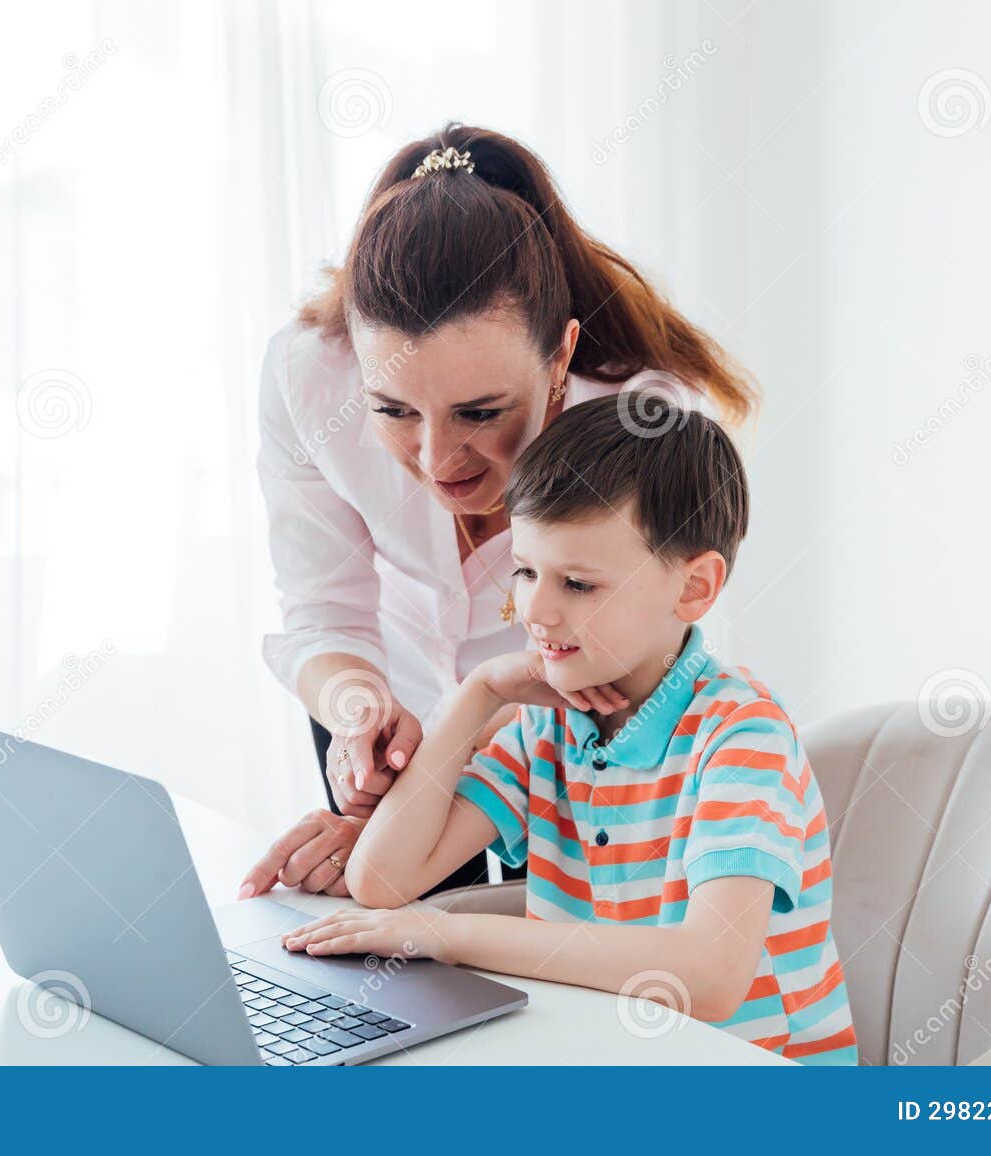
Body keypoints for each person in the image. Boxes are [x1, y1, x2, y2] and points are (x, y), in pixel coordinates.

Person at [241, 124, 757, 899]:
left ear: (559, 360)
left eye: (480, 412)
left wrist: (424, 799)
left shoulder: (637, 418)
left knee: (550, 960)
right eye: (393, 411)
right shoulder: (307, 377)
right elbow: (324, 613)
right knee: (399, 979)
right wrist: (361, 716)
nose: (438, 458)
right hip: (394, 709)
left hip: (568, 720)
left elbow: (618, 670)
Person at [280, 396, 857, 1065]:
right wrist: (477, 694)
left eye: (579, 584)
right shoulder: (545, 727)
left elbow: (709, 975)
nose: (537, 612)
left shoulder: (741, 735)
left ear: (694, 588)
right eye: (526, 572)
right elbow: (381, 880)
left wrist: (442, 934)